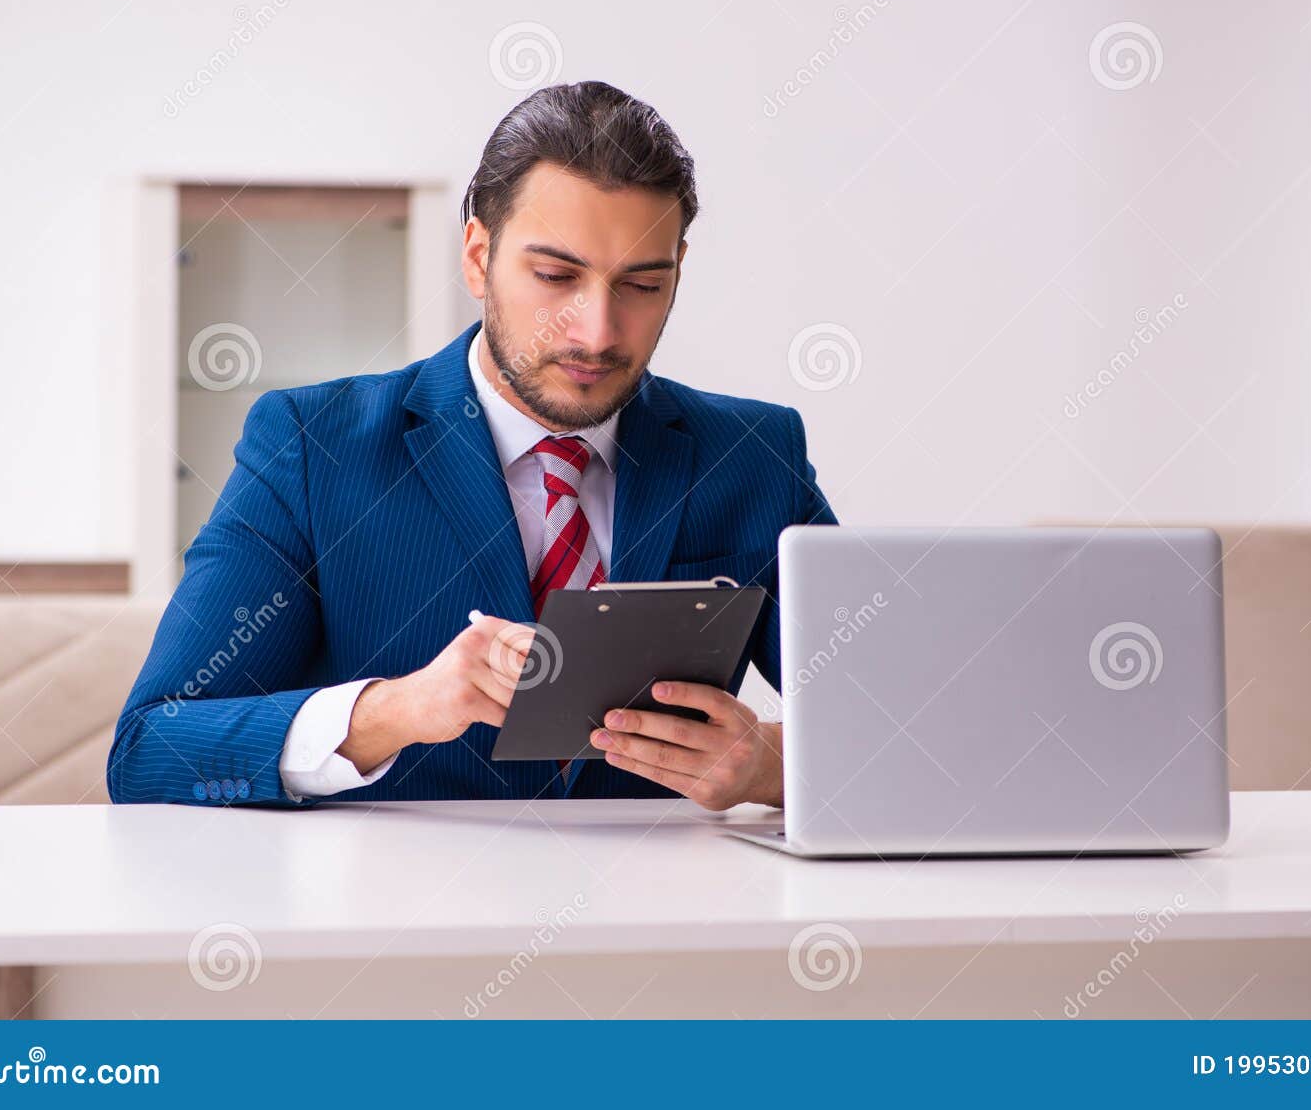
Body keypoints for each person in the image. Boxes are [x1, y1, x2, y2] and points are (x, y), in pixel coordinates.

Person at [107, 80, 837, 809]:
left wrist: (773, 765)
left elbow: (916, 726)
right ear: (477, 256)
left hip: (668, 916)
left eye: (643, 284)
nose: (597, 332)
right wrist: (396, 711)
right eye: (556, 276)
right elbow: (150, 750)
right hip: (405, 917)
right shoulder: (312, 448)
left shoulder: (753, 456)